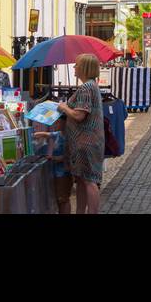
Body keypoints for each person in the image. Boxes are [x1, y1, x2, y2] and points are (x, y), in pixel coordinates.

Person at [57, 52, 104, 214]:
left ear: (83, 68)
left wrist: (64, 107)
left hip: (85, 142)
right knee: (83, 180)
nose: (74, 67)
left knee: (89, 181)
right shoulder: (91, 85)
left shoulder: (86, 88)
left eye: (76, 65)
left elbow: (79, 115)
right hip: (86, 142)